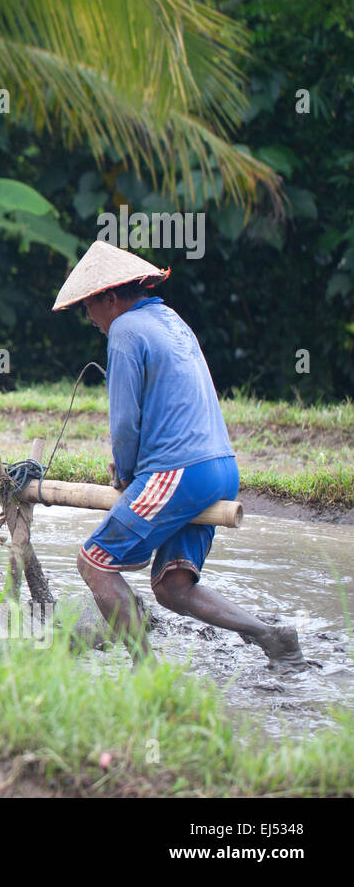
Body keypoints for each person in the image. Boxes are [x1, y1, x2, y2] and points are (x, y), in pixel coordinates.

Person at [52, 240, 304, 666]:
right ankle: (272, 636)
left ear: (109, 298)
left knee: (94, 562)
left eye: (88, 308)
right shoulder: (170, 319)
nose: (89, 319)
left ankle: (145, 670)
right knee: (173, 588)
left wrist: (126, 473)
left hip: (179, 472)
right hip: (220, 468)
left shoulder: (125, 331)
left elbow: (125, 422)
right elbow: (173, 405)